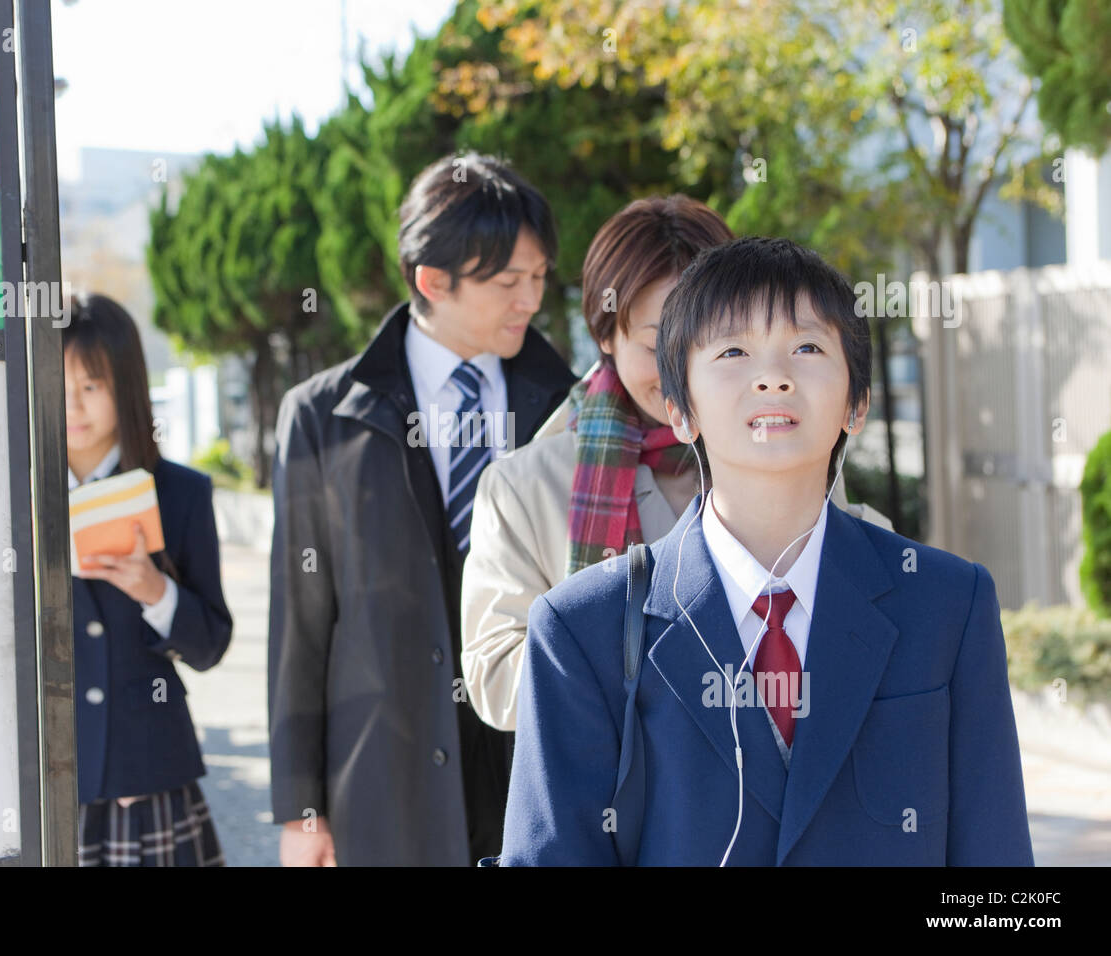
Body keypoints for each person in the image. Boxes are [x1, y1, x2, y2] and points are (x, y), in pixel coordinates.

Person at [500, 237, 1033, 865]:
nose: (773, 375)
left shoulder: (948, 603)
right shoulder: (582, 628)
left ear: (856, 403)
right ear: (680, 410)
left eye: (807, 347)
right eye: (733, 350)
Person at [462, 197, 890, 732]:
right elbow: (494, 675)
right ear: (604, 336)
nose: (680, 366)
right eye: (659, 342)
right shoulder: (524, 486)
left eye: (722, 345)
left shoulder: (788, 452)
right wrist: (659, 666)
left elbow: (840, 622)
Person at [268, 152, 578, 866]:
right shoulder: (323, 417)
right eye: (508, 282)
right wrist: (302, 809)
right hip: (384, 771)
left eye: (538, 277)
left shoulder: (569, 407)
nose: (530, 300)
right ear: (432, 281)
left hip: (531, 763)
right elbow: (301, 621)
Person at [63, 293, 233, 866]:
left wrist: (154, 592)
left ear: (125, 386)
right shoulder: (14, 491)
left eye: (91, 385)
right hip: (48, 776)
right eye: (59, 385)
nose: (74, 406)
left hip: (148, 774)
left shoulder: (181, 494)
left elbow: (210, 644)